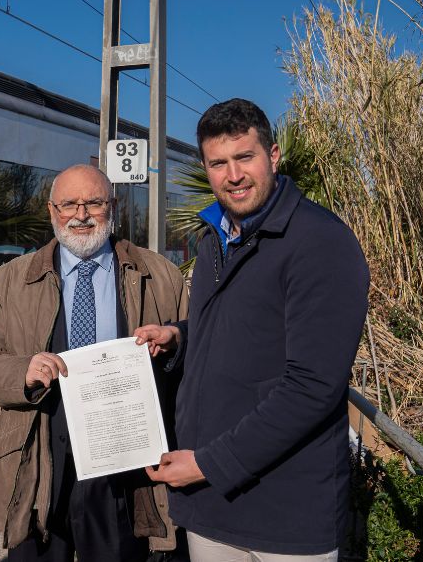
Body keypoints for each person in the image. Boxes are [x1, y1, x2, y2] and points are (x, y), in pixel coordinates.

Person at [135, 99, 369, 561]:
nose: (233, 175)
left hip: (286, 511)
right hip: (214, 503)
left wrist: (206, 464)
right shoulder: (212, 241)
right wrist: (180, 337)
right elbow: (240, 328)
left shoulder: (320, 242)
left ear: (274, 156)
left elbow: (313, 387)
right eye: (218, 163)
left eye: (245, 157)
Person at [0, 163, 188, 561]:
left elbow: (193, 353)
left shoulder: (159, 275)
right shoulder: (10, 281)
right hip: (38, 462)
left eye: (94, 202)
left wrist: (172, 346)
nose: (81, 215)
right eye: (69, 204)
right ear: (52, 211)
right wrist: (21, 372)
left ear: (112, 206)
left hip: (125, 467)